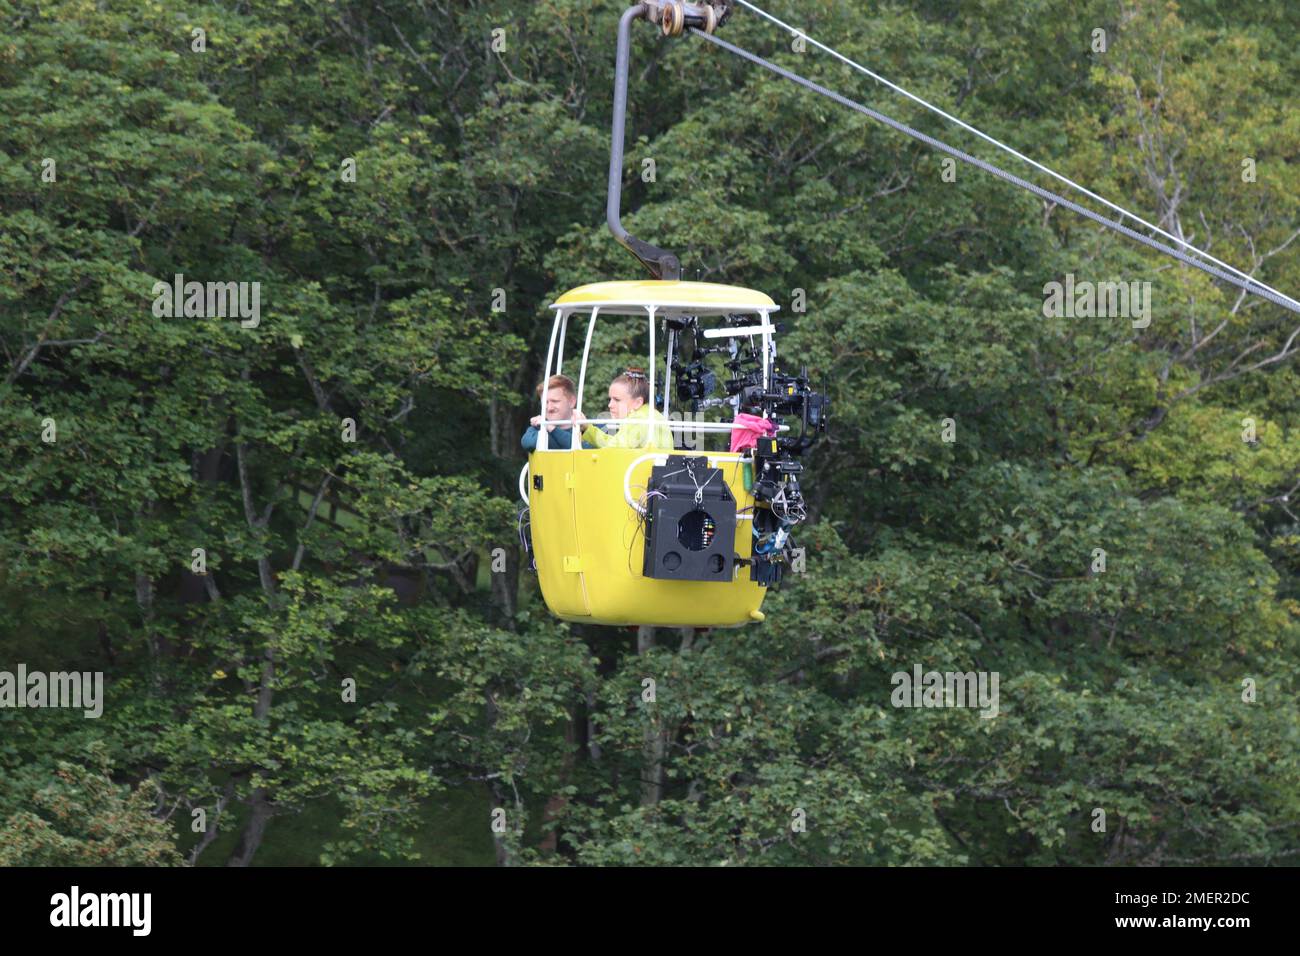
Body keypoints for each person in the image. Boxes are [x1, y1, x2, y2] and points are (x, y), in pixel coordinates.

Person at [574, 368, 674, 450]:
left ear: (637, 402)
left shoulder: (638, 419)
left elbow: (613, 449)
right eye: (610, 399)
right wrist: (588, 428)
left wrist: (587, 428)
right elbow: (616, 444)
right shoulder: (653, 415)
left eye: (617, 400)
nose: (610, 405)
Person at [521, 374, 593, 451]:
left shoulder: (587, 429)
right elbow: (528, 444)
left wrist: (552, 429)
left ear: (572, 402)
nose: (549, 408)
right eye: (545, 403)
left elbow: (587, 449)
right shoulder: (538, 428)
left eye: (555, 401)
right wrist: (547, 426)